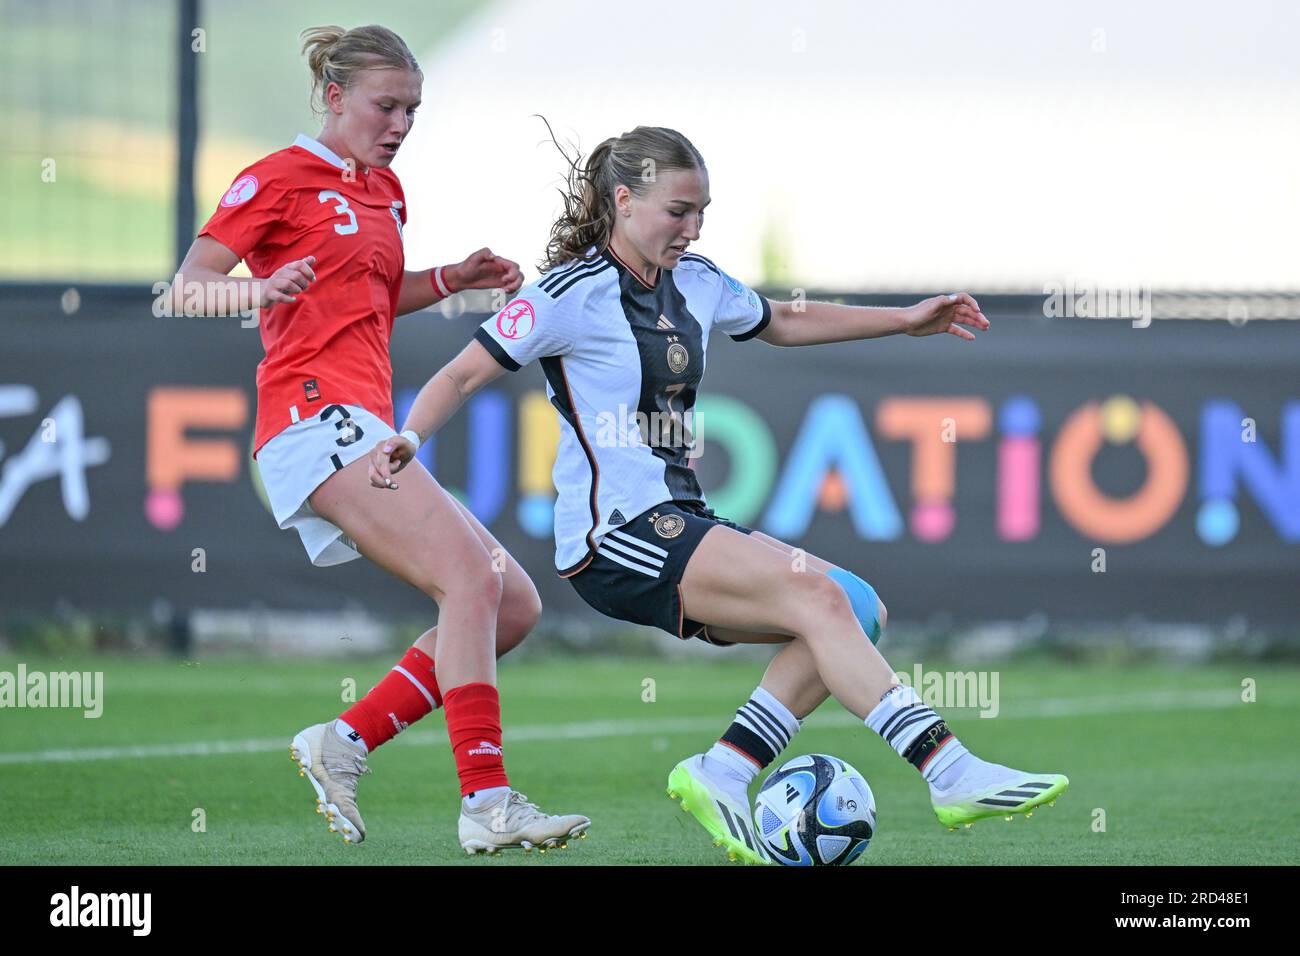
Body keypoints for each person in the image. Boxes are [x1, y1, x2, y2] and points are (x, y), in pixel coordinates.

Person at [370, 125, 1067, 864]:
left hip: (679, 517)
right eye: (679, 210)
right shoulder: (567, 293)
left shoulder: (697, 281)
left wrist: (902, 321)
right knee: (821, 602)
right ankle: (950, 772)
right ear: (624, 199)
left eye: (702, 210)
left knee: (858, 607)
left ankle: (724, 770)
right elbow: (460, 375)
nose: (693, 227)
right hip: (617, 537)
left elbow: (783, 320)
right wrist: (411, 438)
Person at [170, 24, 589, 855]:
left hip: (361, 417)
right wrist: (258, 288)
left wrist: (452, 281)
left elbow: (371, 297)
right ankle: (487, 800)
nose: (400, 123)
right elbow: (188, 289)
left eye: (413, 109)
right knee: (468, 578)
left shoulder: (384, 192)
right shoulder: (277, 178)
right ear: (334, 96)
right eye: (385, 105)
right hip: (310, 416)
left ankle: (345, 741)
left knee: (511, 604)